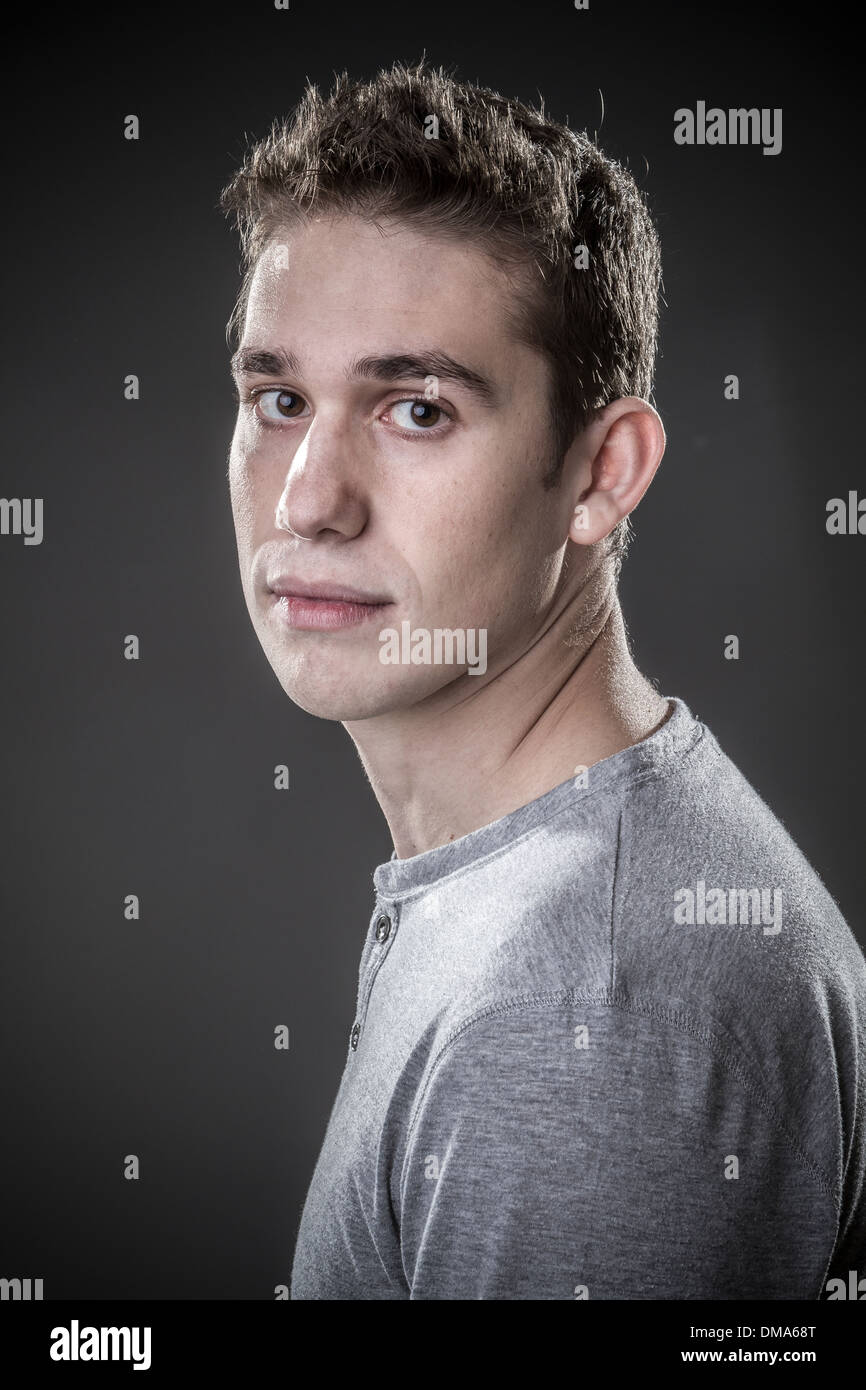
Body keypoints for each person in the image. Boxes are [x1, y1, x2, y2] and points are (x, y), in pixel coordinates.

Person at [219, 60, 866, 1299]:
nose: (308, 499)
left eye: (415, 409)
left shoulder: (587, 1011)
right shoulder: (532, 892)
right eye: (280, 397)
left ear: (600, 471)